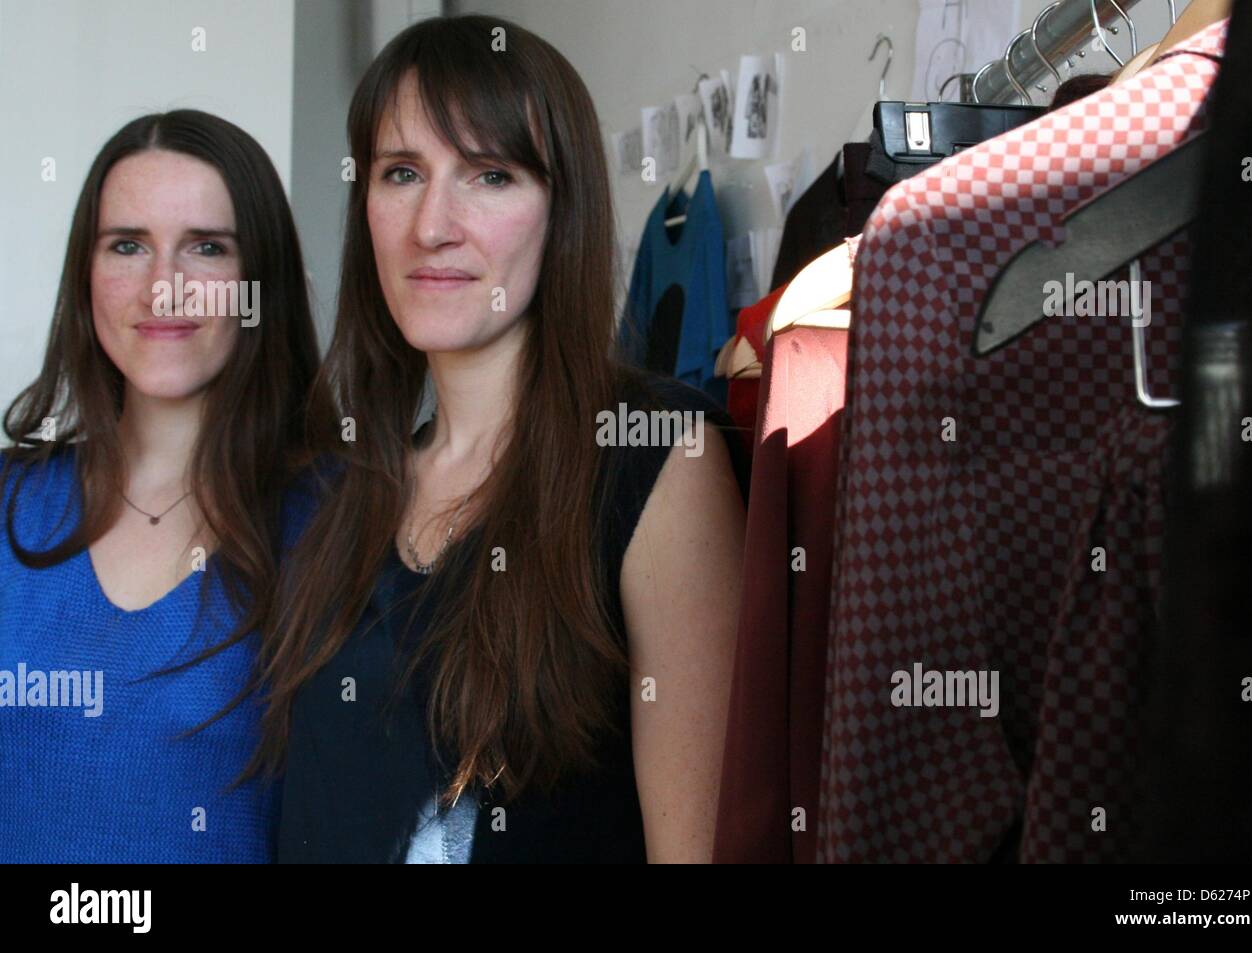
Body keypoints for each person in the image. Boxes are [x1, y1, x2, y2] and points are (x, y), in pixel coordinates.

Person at [260, 14, 748, 863]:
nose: (431, 224)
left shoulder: (657, 459)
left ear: (563, 212)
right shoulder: (346, 491)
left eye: (490, 175)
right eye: (402, 172)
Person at [0, 110, 322, 862]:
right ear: (87, 276)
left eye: (206, 248)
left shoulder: (338, 522)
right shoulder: (11, 502)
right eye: (127, 246)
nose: (164, 288)